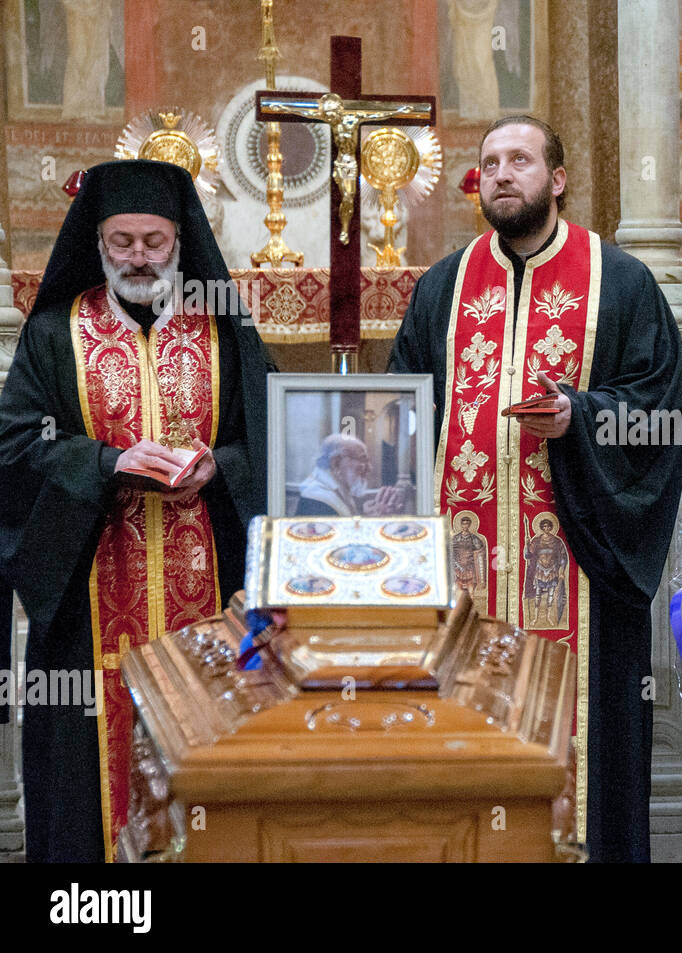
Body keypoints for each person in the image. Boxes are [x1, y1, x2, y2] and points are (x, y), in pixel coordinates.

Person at [387, 115, 682, 862]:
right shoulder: (442, 287)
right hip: (463, 579)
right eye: (489, 162)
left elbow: (662, 409)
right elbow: (399, 413)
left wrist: (579, 419)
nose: (501, 173)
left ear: (556, 179)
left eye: (519, 159)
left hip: (579, 566)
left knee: (586, 768)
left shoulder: (618, 280)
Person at [0, 159, 273, 862]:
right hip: (88, 598)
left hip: (213, 588)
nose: (139, 258)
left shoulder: (222, 332)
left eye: (153, 241)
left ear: (180, 239)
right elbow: (13, 445)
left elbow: (275, 435)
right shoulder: (57, 333)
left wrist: (223, 466)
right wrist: (104, 464)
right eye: (122, 242)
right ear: (98, 241)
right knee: (89, 787)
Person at [295, 434, 406, 517]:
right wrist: (375, 519)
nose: (369, 468)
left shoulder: (333, 485)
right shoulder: (318, 498)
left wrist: (364, 515)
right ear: (336, 463)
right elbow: (340, 543)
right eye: (363, 459)